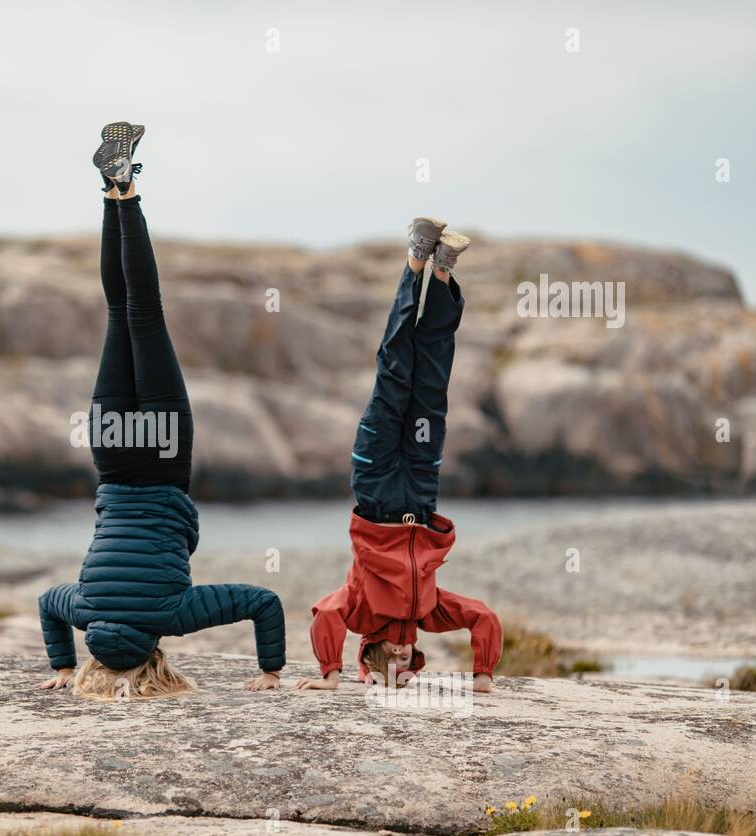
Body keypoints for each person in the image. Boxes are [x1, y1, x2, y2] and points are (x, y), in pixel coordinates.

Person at [37, 122, 286, 700]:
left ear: (155, 652)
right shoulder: (85, 607)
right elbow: (47, 604)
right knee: (119, 311)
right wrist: (60, 664)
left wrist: (271, 670)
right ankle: (110, 187)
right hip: (113, 456)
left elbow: (264, 604)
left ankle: (124, 186)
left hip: (165, 453)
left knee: (144, 313)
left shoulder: (172, 613)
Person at [297, 218, 502, 693]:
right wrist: (484, 676)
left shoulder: (360, 610)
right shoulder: (428, 613)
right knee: (430, 383)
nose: (400, 656)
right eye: (406, 669)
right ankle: (444, 271)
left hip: (375, 486)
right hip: (421, 493)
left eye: (387, 664)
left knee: (393, 372)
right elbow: (483, 617)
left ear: (368, 654)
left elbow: (326, 614)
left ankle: (415, 259)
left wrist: (331, 675)